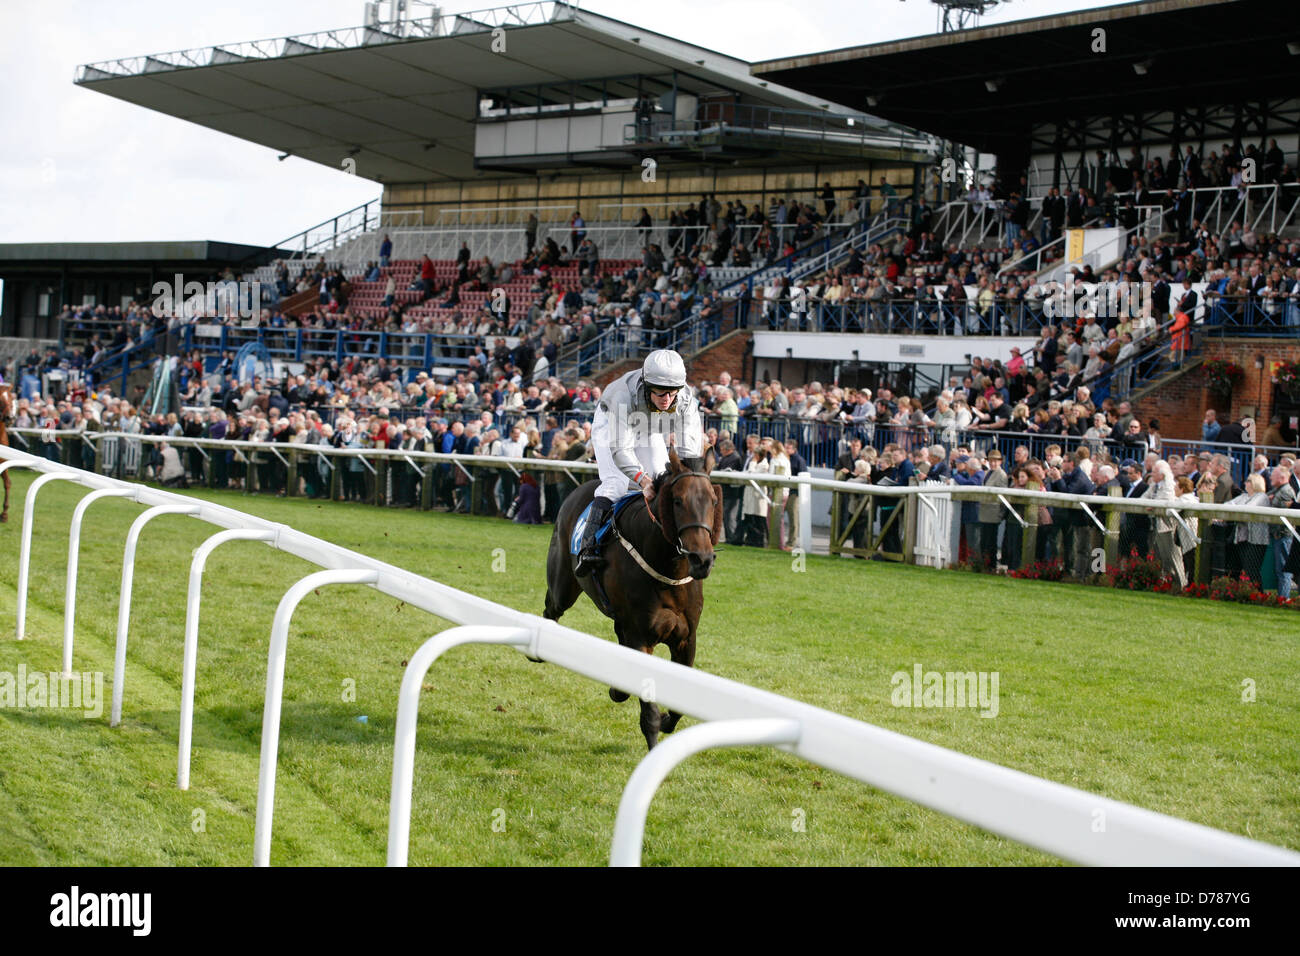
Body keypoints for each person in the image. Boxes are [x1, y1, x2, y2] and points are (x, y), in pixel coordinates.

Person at [575, 349, 704, 576]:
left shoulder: (685, 399)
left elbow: (689, 452)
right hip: (611, 424)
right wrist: (642, 481)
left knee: (661, 479)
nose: (667, 399)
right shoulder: (623, 396)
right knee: (617, 483)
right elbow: (621, 450)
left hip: (650, 428)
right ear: (647, 385)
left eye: (672, 393)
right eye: (661, 393)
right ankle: (588, 546)